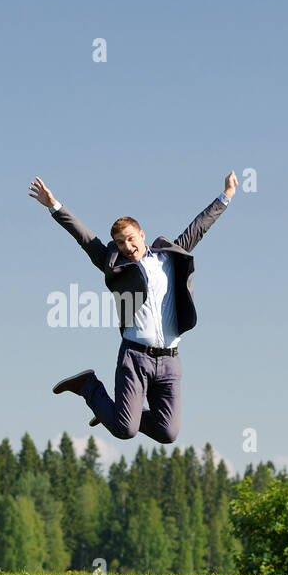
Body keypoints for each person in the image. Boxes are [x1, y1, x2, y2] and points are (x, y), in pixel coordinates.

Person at [28, 171, 237, 443]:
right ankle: (88, 386)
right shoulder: (116, 267)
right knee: (125, 430)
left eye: (130, 238)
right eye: (119, 243)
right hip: (136, 358)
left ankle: (114, 413)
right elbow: (85, 238)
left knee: (167, 432)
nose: (127, 246)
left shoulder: (168, 256)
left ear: (141, 234)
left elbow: (199, 227)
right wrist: (54, 206)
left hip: (171, 361)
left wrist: (227, 196)